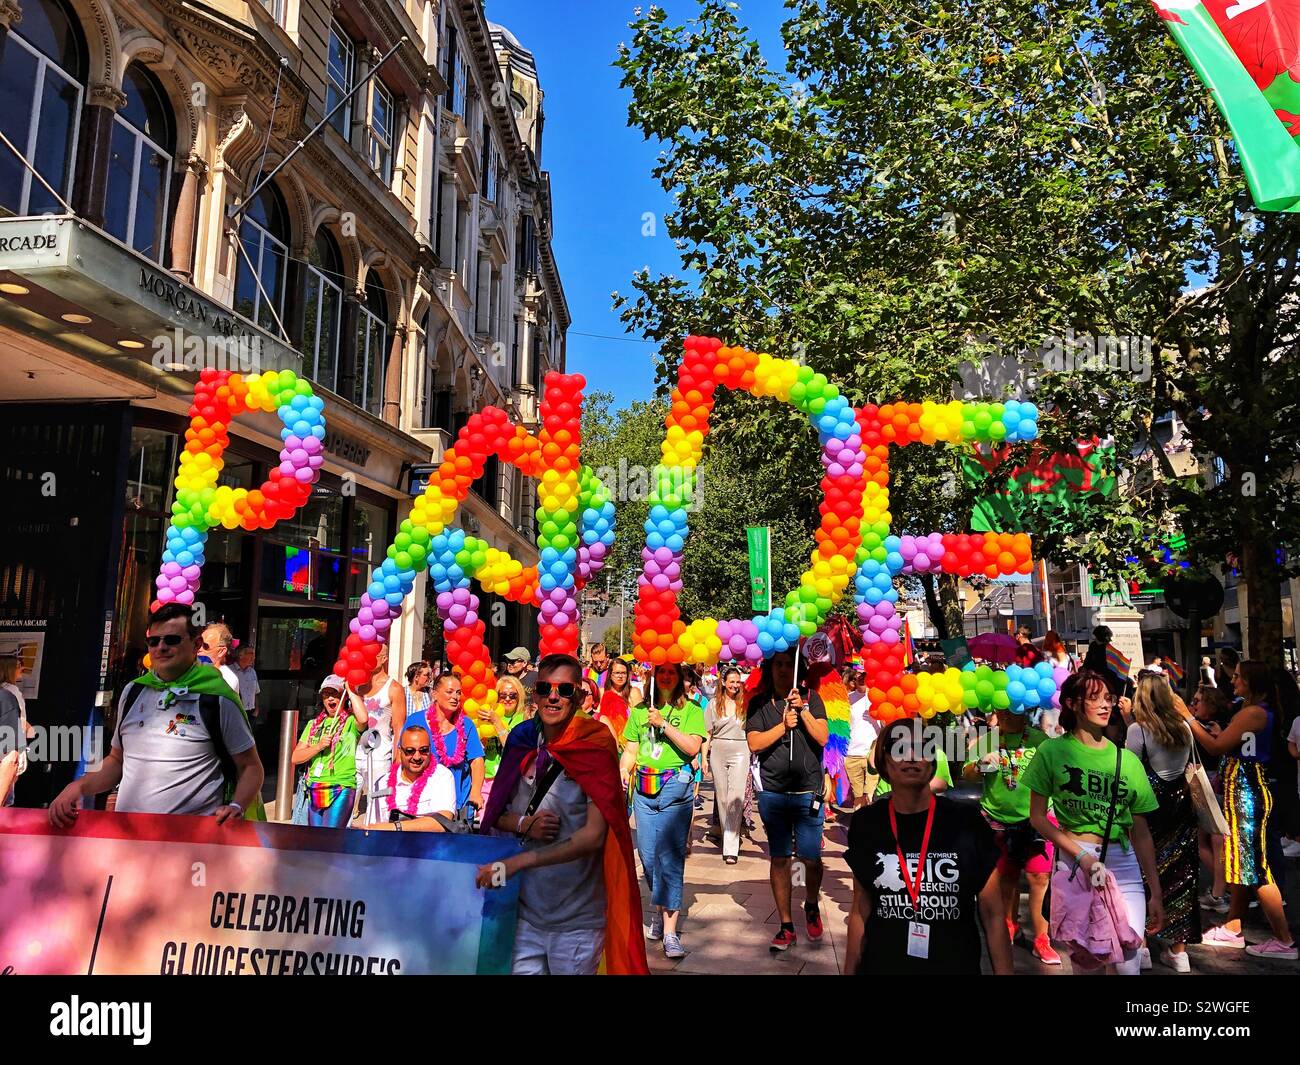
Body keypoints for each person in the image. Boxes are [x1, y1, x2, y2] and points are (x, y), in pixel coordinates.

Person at [479, 653, 649, 974]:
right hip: (523, 914)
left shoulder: (595, 744)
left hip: (577, 922)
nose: (554, 696)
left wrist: (519, 862)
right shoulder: (521, 739)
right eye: (545, 688)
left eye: (565, 690)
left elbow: (594, 836)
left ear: (580, 696)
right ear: (536, 693)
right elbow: (495, 814)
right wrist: (524, 823)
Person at [49, 604, 263, 827]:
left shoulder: (217, 698)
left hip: (191, 846)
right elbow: (117, 760)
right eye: (154, 641)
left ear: (196, 644)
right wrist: (78, 786)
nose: (161, 647)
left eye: (172, 640)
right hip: (130, 839)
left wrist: (237, 806)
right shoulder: (133, 691)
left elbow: (251, 767)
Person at [1023, 669, 1165, 975]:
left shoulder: (1126, 760)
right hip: (1074, 864)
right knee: (1087, 964)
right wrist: (1082, 856)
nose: (1106, 705)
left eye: (1109, 698)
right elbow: (1037, 818)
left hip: (1124, 866)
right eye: (1094, 698)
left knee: (1128, 966)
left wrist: (1155, 890)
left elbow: (1140, 831)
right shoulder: (1052, 751)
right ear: (1073, 704)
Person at [844, 718, 1013, 975]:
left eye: (922, 748)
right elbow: (860, 908)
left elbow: (992, 914)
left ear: (933, 761)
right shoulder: (867, 823)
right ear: (885, 762)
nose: (911, 756)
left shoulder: (966, 822)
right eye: (900, 748)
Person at [1177, 660, 1297, 959]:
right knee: (1243, 864)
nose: (1233, 682)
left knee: (1256, 868)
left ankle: (1284, 941)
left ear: (1252, 682)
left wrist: (1188, 719)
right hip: (1242, 793)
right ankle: (1232, 927)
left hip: (1248, 795)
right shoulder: (1252, 710)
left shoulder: (1253, 712)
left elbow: (1216, 747)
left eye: (1239, 678)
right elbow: (1229, 742)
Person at [746, 647, 830, 952]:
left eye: (788, 664)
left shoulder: (812, 698)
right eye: (778, 664)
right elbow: (754, 743)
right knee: (780, 858)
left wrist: (803, 712)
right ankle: (785, 924)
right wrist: (784, 725)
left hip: (808, 792)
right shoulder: (759, 703)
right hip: (773, 793)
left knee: (810, 858)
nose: (783, 669)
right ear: (770, 668)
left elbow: (822, 737)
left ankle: (810, 904)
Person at [620, 660, 706, 960]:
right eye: (661, 671)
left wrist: (664, 725)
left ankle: (670, 931)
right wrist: (623, 770)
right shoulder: (640, 710)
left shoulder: (692, 711)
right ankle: (660, 907)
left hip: (675, 790)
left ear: (680, 678)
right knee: (647, 856)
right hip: (643, 791)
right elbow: (631, 749)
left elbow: (693, 747)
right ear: (653, 676)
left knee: (669, 859)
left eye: (672, 672)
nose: (666, 676)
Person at [962, 707, 1058, 964]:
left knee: (1040, 876)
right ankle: (1009, 926)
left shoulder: (1040, 740)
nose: (1003, 716)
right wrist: (980, 765)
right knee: (1006, 878)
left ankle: (1042, 939)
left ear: (1024, 713)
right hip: (997, 820)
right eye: (1000, 711)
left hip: (1037, 818)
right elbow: (966, 774)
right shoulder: (988, 739)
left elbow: (1058, 773)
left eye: (1010, 711)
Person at [1127, 674, 1201, 971]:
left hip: (1148, 808)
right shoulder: (1184, 727)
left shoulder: (1138, 730)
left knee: (1144, 870)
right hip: (1182, 806)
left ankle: (1143, 944)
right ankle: (1178, 949)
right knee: (1183, 873)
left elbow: (1130, 769)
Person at [403, 672, 485, 819]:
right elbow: (401, 757)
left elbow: (477, 761)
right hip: (422, 802)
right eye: (449, 692)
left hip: (459, 804)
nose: (455, 697)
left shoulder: (466, 725)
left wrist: (476, 793)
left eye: (458, 693)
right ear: (434, 694)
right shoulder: (415, 721)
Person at [292, 675, 369, 828]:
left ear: (343, 697)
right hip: (314, 786)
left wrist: (351, 691)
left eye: (335, 694)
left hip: (341, 786)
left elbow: (364, 719)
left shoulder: (350, 722)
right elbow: (295, 757)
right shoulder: (313, 724)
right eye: (326, 695)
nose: (330, 699)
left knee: (331, 836)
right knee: (316, 838)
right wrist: (318, 746)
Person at [352, 724, 456, 831]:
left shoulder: (442, 776)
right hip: (391, 845)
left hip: (432, 846)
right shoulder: (382, 783)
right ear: (400, 751)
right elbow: (372, 827)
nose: (417, 757)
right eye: (410, 751)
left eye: (423, 750)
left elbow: (443, 823)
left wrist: (395, 827)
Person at [1190, 685, 1231, 913]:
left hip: (1209, 785)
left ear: (1211, 705)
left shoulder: (1210, 728)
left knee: (1215, 840)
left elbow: (1214, 750)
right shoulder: (1211, 726)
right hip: (1204, 785)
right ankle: (1224, 887)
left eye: (1198, 701)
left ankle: (1219, 891)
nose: (1194, 704)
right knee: (1206, 842)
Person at [705, 666, 749, 864]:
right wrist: (702, 757)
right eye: (731, 681)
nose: (734, 685)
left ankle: (730, 848)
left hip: (741, 749)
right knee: (722, 797)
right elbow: (707, 733)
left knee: (736, 795)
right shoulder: (713, 704)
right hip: (718, 749)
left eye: (737, 681)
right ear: (723, 682)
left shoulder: (745, 704)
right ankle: (728, 835)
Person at [357, 645, 404, 807]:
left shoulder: (394, 688)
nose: (368, 660)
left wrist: (397, 759)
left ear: (384, 658)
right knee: (346, 808)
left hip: (380, 756)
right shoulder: (357, 684)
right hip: (352, 754)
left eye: (373, 656)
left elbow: (399, 727)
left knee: (378, 807)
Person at [844, 668, 880, 808]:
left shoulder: (878, 697)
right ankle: (860, 826)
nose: (861, 678)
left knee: (870, 797)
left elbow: (886, 724)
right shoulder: (847, 699)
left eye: (864, 675)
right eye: (857, 675)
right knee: (858, 800)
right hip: (852, 755)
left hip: (872, 754)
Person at [199, 623, 241, 694]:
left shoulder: (228, 679)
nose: (199, 649)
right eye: (198, 644)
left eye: (205, 646)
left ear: (221, 651)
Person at [228, 645, 262, 726]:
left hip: (251, 713)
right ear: (240, 655)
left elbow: (256, 692)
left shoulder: (252, 672)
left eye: (254, 654)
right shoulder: (229, 671)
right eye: (251, 653)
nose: (253, 657)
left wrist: (256, 710)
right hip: (236, 712)